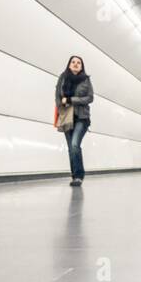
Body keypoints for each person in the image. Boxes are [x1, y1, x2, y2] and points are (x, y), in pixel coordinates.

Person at [54, 55, 93, 186]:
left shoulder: (86, 80)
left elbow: (90, 98)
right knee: (71, 148)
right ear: (69, 64)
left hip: (82, 117)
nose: (76, 64)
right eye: (73, 62)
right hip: (66, 116)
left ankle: (79, 176)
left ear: (82, 66)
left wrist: (71, 100)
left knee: (75, 144)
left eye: (79, 63)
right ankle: (74, 174)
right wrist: (61, 108)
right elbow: (57, 96)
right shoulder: (63, 78)